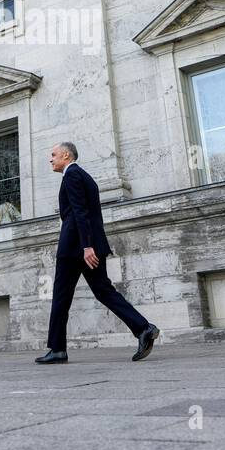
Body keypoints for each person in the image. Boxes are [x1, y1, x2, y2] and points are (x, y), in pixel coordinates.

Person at [37, 142, 158, 364]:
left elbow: (79, 212)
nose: (50, 159)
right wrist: (89, 244)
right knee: (103, 291)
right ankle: (143, 328)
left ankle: (57, 349)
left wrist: (86, 246)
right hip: (86, 246)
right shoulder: (84, 176)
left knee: (61, 296)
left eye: (53, 155)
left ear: (66, 154)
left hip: (76, 248)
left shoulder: (72, 175)